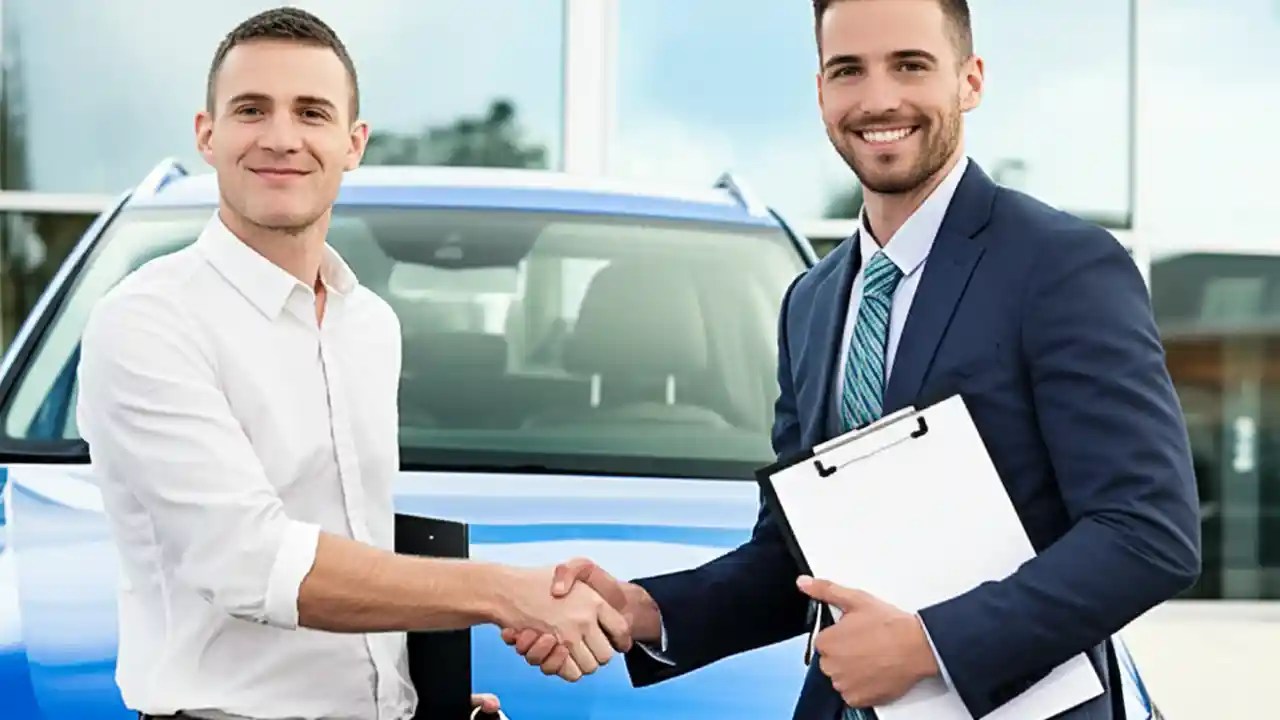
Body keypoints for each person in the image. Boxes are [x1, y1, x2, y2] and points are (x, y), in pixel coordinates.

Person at [502, 0, 1202, 718]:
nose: (878, 99)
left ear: (971, 80)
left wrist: (929, 645)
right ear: (820, 94)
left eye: (909, 65)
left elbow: (1148, 532)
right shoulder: (811, 302)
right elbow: (798, 558)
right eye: (848, 71)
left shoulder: (1061, 268)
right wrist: (645, 607)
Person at [75, 7, 627, 719]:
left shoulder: (369, 325)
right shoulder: (147, 321)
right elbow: (252, 560)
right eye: (251, 110)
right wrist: (504, 592)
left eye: (311, 112)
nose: (281, 137)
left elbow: (347, 541)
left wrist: (415, 693)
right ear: (206, 135)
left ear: (352, 142)